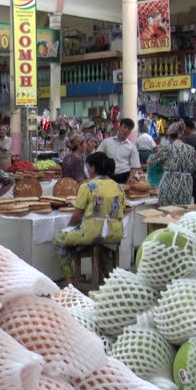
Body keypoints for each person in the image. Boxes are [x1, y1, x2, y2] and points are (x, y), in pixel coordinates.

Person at [54, 152, 125, 280]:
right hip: (115, 233)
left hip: (92, 233)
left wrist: (68, 228)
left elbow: (77, 216)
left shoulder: (87, 187)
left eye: (88, 167)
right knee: (103, 245)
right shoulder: (119, 187)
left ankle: (68, 278)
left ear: (92, 168)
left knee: (60, 240)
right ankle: (108, 275)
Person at [148, 122, 196, 207]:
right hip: (186, 184)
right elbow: (194, 167)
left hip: (170, 182)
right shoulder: (191, 149)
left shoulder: (167, 148)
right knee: (182, 210)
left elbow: (151, 161)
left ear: (170, 137)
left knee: (167, 210)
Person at [96, 118, 141, 184]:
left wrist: (131, 178)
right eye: (124, 127)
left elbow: (134, 166)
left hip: (124, 178)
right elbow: (97, 157)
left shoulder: (132, 147)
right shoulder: (106, 142)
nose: (126, 130)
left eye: (129, 129)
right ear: (119, 127)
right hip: (107, 177)